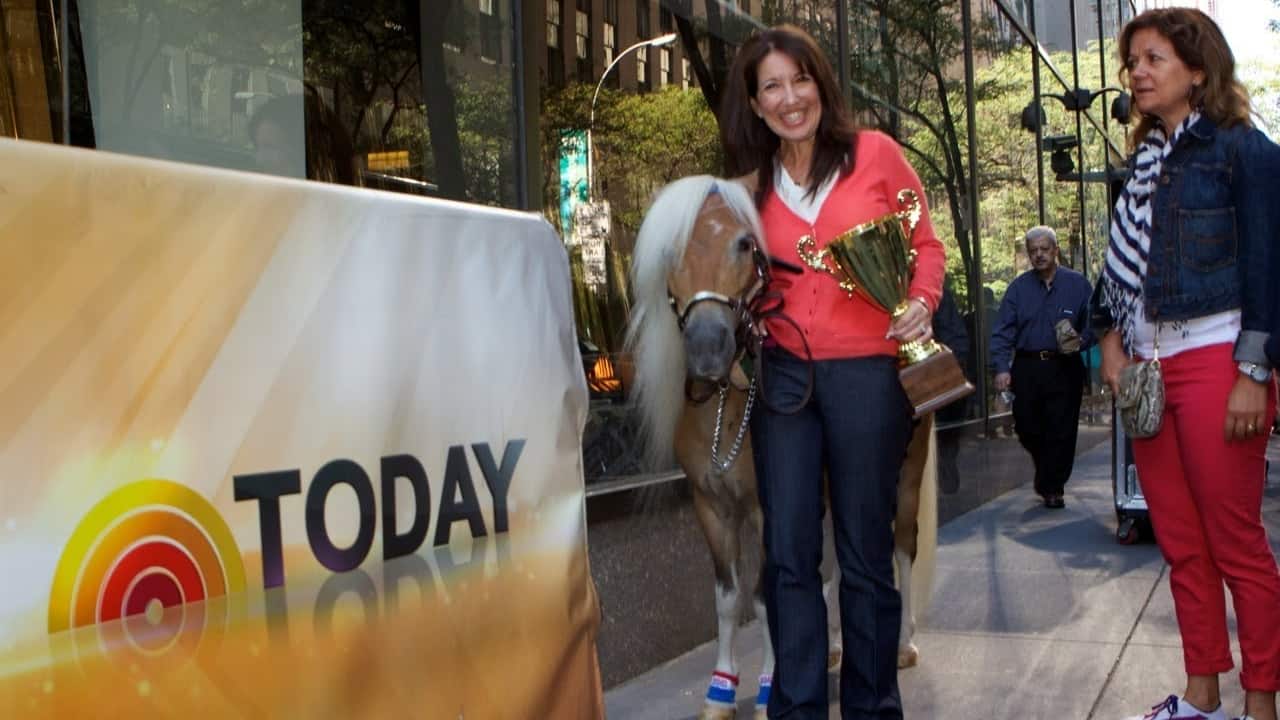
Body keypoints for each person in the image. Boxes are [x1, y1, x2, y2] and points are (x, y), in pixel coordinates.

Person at [721, 24, 944, 719]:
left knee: (864, 551)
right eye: (773, 88)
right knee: (787, 553)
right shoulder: (747, 189)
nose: (791, 99)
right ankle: (797, 708)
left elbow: (926, 244)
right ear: (755, 106)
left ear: (821, 84)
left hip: (868, 377)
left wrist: (919, 300)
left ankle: (874, 708)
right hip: (785, 375)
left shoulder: (875, 155)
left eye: (800, 80)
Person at [1091, 9, 1280, 720]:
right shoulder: (1142, 164)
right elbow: (1117, 275)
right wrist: (1108, 342)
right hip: (1149, 368)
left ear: (1198, 70)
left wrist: (1252, 374)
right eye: (1132, 61)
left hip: (1216, 360)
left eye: (1154, 59)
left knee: (1237, 544)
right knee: (1181, 543)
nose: (1137, 72)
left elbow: (1269, 270)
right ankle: (1203, 698)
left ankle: (1261, 705)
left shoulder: (1245, 153)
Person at [989, 226, 1093, 509]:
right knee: (1026, 425)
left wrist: (1081, 340)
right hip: (1028, 367)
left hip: (1065, 366)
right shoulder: (1018, 289)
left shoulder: (1078, 285)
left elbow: (1095, 322)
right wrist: (1001, 368)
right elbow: (1002, 332)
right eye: (1033, 250)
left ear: (1055, 250)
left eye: (1044, 249)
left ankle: (1053, 487)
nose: (1039, 255)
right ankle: (1046, 472)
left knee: (1062, 429)